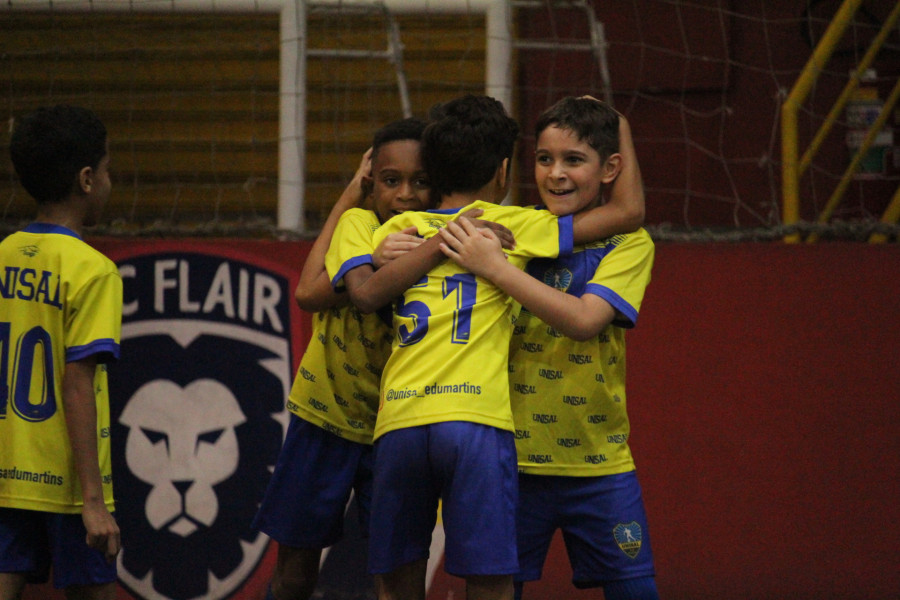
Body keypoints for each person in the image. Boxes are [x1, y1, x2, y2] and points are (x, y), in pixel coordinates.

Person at [332, 94, 644, 600]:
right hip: (476, 420)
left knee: (395, 580)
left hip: (400, 421)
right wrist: (619, 126)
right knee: (491, 581)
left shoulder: (393, 231)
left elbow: (360, 293)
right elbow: (629, 212)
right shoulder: (515, 228)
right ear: (503, 170)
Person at [437, 97, 659, 599]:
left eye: (573, 160)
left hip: (599, 465)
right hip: (507, 461)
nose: (555, 174)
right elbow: (427, 229)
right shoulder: (509, 229)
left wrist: (494, 268)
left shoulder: (628, 244)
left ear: (611, 168)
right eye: (543, 159)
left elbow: (584, 321)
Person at [252, 117, 434, 600]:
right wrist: (363, 229)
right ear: (371, 184)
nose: (407, 194)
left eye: (421, 181)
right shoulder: (360, 228)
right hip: (324, 418)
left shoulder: (446, 245)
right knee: (294, 575)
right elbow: (310, 292)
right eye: (392, 181)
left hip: (396, 429)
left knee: (398, 577)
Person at [0, 105, 122, 600]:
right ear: (87, 179)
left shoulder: (4, 254)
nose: (112, 182)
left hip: (6, 476)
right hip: (67, 485)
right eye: (109, 170)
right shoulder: (92, 271)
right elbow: (76, 383)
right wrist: (93, 500)